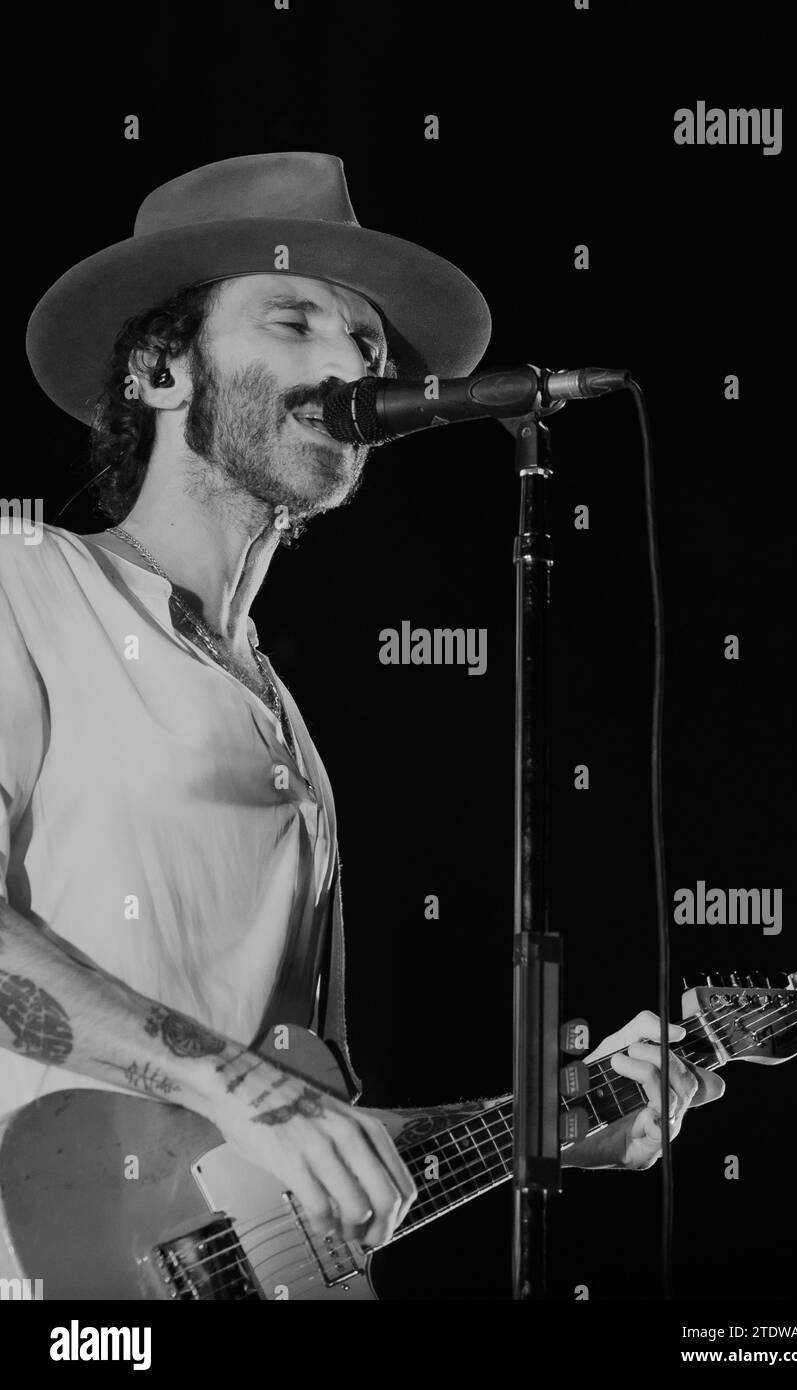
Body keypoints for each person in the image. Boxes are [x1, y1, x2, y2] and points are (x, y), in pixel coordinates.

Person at [1, 153, 722, 1261]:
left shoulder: (277, 712)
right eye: (294, 320)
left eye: (369, 344)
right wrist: (240, 1086)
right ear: (158, 368)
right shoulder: (27, 584)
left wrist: (544, 1129)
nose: (350, 358)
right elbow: (254, 1101)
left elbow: (299, 1148)